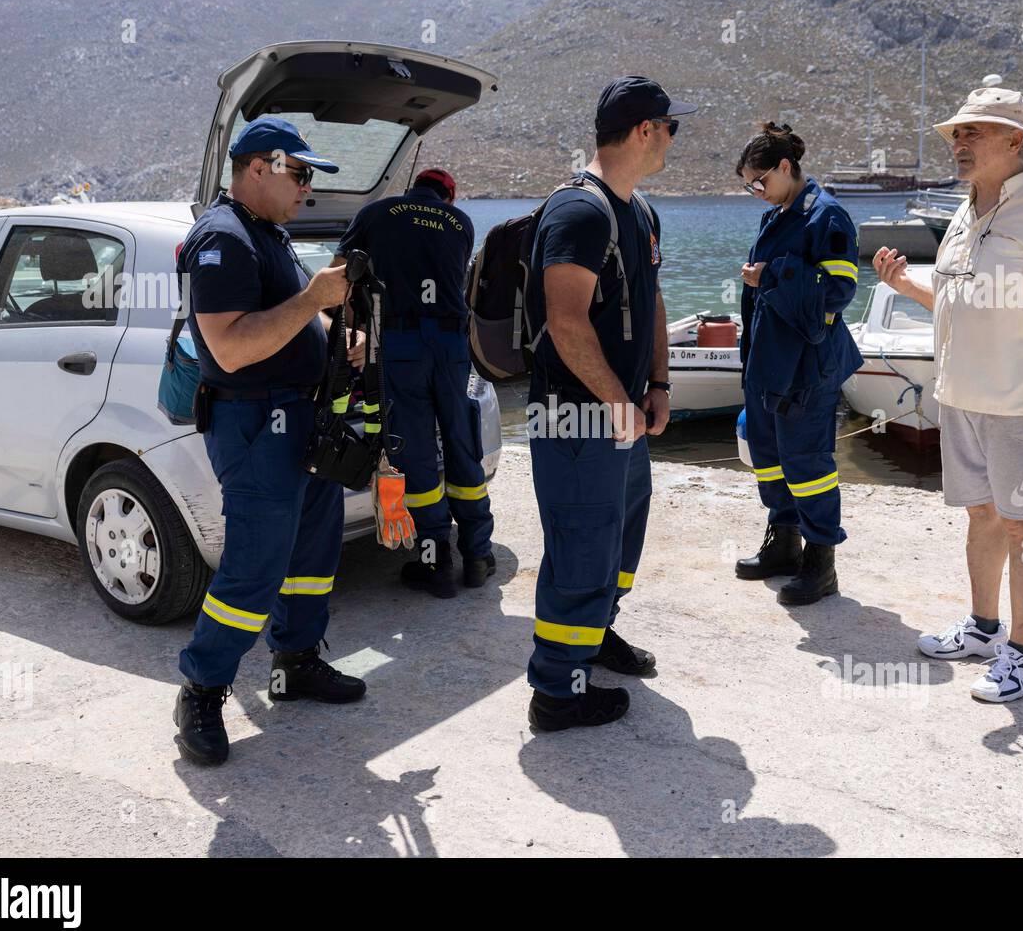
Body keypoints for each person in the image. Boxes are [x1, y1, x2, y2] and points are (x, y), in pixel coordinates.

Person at [873, 88, 1023, 703]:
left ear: (1016, 141)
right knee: (981, 514)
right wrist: (907, 284)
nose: (959, 144)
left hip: (1018, 402)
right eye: (956, 134)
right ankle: (983, 630)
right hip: (957, 396)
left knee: (1021, 525)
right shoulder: (966, 211)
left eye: (974, 133)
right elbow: (963, 303)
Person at [174, 117, 367, 766]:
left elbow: (286, 317)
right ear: (259, 167)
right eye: (301, 173)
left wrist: (332, 330)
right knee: (254, 565)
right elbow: (229, 347)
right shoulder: (221, 239)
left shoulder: (267, 235)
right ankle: (201, 689)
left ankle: (297, 661)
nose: (306, 189)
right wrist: (315, 294)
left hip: (300, 419)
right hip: (256, 426)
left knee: (312, 549)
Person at [524, 76, 696, 731]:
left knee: (619, 540)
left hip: (621, 413)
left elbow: (650, 301)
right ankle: (556, 692)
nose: (675, 139)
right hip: (576, 415)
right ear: (645, 130)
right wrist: (619, 402)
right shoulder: (579, 211)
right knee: (579, 548)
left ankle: (595, 635)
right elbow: (566, 322)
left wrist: (658, 386)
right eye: (670, 126)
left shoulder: (640, 210)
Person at [333, 167, 494, 597]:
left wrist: (348, 329)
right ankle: (477, 554)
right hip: (450, 343)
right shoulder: (461, 223)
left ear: (411, 189)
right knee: (461, 439)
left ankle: (435, 562)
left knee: (417, 447)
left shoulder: (377, 212)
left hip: (403, 344)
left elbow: (339, 278)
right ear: (450, 197)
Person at [733, 123, 862, 605]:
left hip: (807, 367)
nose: (756, 192)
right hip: (768, 363)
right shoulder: (777, 214)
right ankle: (783, 543)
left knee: (808, 464)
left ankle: (820, 562)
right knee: (768, 457)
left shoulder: (827, 216)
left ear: (785, 168)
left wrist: (771, 275)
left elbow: (838, 292)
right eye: (750, 185)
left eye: (759, 181)